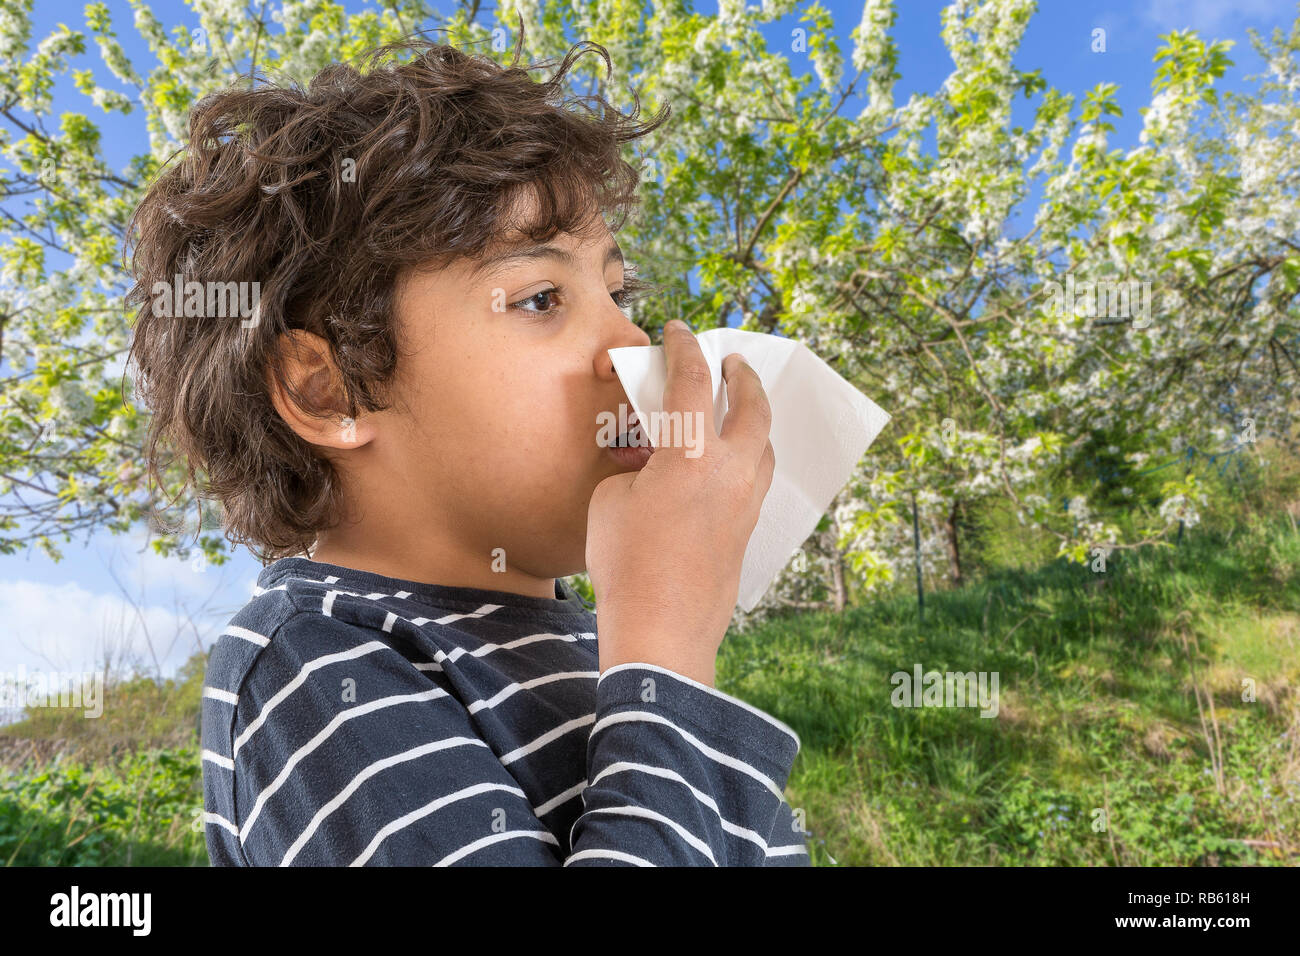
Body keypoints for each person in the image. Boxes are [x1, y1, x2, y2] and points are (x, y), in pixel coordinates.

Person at [125, 32, 807, 866]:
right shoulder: (313, 661)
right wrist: (667, 656)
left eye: (619, 292)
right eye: (540, 298)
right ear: (328, 390)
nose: (633, 343)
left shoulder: (608, 649)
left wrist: (655, 658)